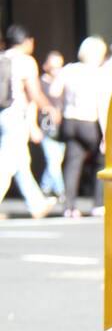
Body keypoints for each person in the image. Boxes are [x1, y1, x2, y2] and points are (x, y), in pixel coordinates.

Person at [0, 26, 59, 218]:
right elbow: (33, 92)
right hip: (16, 114)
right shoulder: (25, 61)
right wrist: (48, 107)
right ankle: (36, 203)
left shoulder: (2, 58)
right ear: (25, 42)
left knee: (21, 162)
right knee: (7, 163)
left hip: (3, 113)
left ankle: (36, 203)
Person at [53, 36, 106, 217]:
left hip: (70, 119)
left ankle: (69, 206)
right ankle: (98, 204)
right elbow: (101, 104)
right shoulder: (98, 73)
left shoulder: (69, 70)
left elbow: (54, 90)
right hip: (89, 121)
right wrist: (105, 132)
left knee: (72, 163)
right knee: (100, 161)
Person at [37, 51, 65, 200]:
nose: (57, 70)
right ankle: (61, 191)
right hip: (46, 127)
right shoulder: (40, 84)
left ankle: (45, 187)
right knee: (53, 160)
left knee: (56, 160)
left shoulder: (61, 83)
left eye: (60, 66)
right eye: (54, 67)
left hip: (61, 129)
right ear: (46, 66)